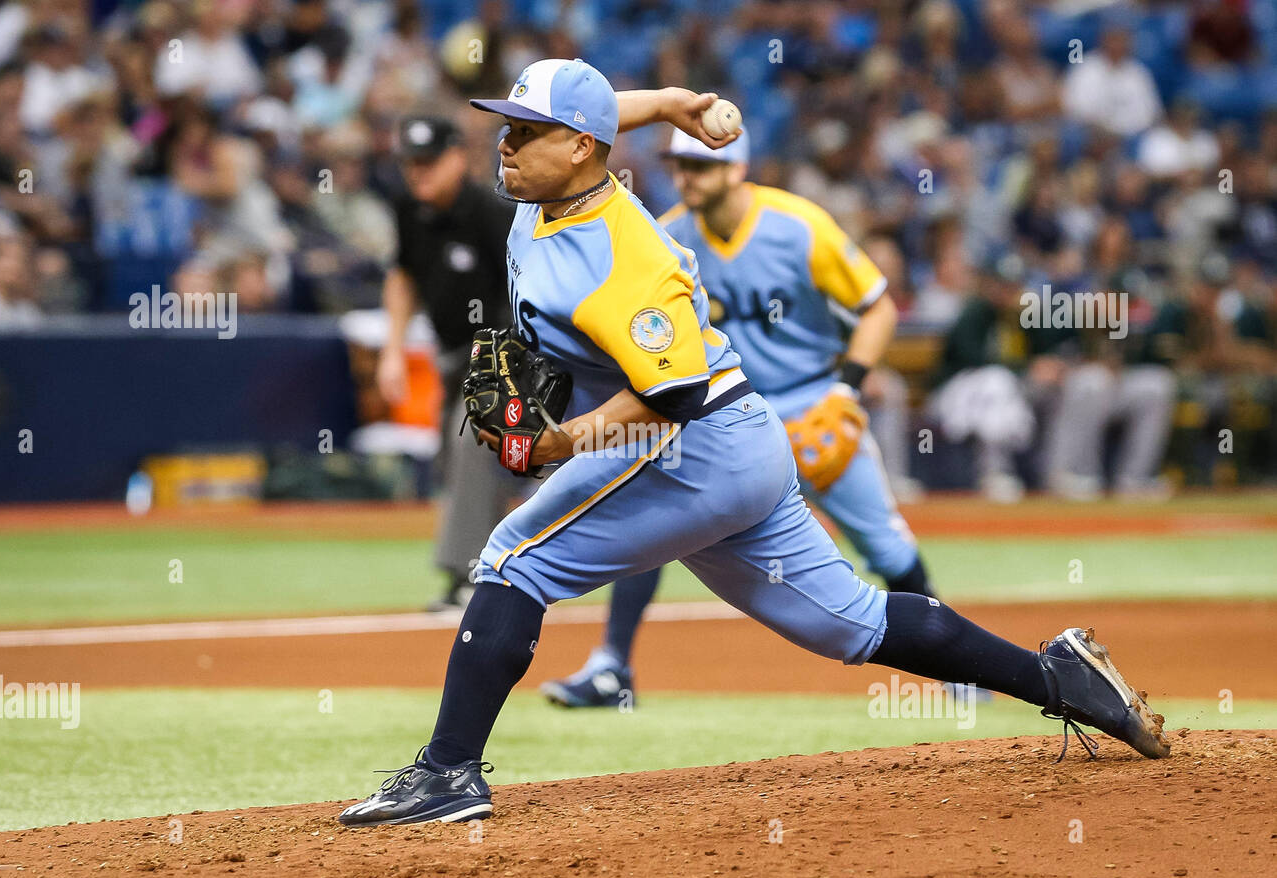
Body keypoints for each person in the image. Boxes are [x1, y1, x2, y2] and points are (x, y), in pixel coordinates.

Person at [338, 60, 1168, 828]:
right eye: (505, 126)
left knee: (516, 558)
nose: (506, 144)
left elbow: (671, 393)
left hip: (688, 444)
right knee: (852, 624)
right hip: (744, 448)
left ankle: (449, 773)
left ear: (581, 147)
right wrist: (669, 104)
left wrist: (561, 445)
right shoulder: (553, 182)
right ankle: (1059, 679)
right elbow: (598, 114)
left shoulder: (622, 254)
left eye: (525, 130)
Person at [539, 128, 938, 709]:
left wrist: (848, 391)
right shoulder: (667, 233)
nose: (686, 176)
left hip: (812, 404)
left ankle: (959, 678)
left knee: (887, 548)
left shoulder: (798, 225)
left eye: (700, 165)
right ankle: (611, 667)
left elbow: (876, 305)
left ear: (737, 167)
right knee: (651, 524)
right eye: (679, 164)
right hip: (723, 413)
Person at [379, 115, 515, 609]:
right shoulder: (409, 210)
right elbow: (402, 274)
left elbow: (526, 286)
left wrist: (508, 361)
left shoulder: (488, 212)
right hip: (452, 356)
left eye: (429, 162)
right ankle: (504, 570)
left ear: (458, 158)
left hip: (504, 354)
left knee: (471, 447)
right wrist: (393, 349)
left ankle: (472, 578)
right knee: (455, 461)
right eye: (412, 164)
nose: (419, 173)